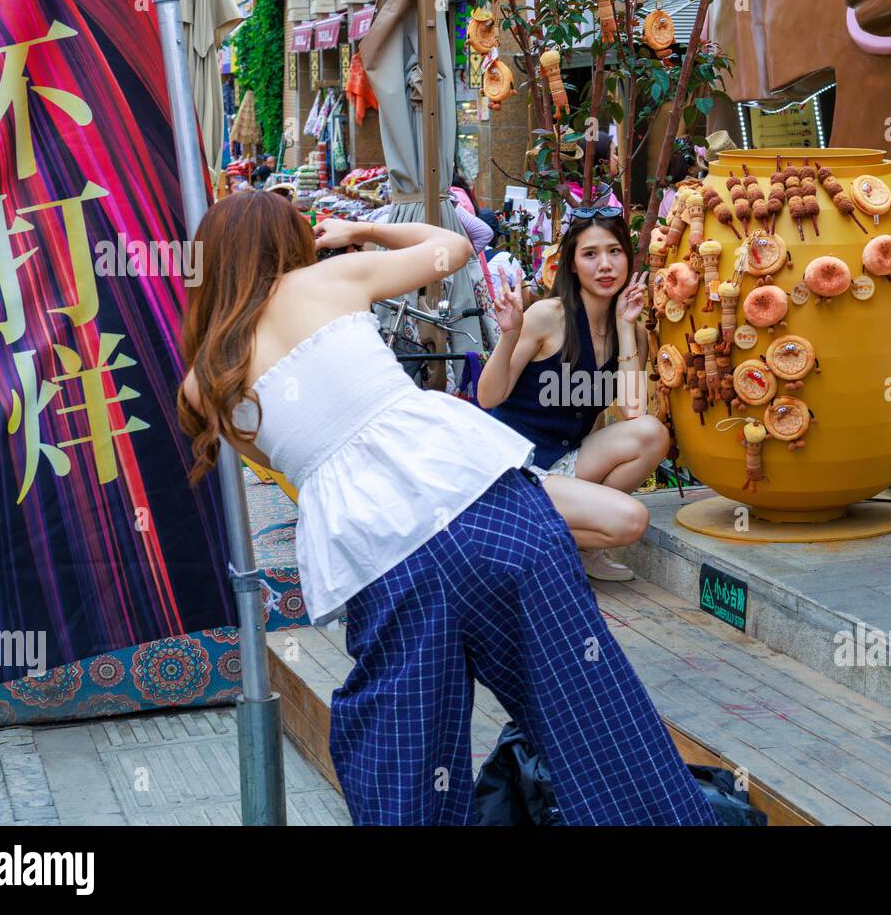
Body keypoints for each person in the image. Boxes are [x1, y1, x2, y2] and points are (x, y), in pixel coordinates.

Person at [176, 191, 720, 827]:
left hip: (378, 556)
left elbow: (293, 457)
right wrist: (360, 227)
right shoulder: (329, 278)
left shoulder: (203, 381)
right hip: (480, 500)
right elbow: (457, 246)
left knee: (404, 760)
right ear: (290, 244)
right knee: (592, 712)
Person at [476, 207, 668, 583]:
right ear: (573, 264)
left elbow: (633, 411)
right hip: (514, 466)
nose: (605, 265)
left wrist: (627, 328)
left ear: (628, 257)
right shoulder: (548, 316)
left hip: (563, 462)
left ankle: (580, 545)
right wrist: (510, 336)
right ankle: (515, 536)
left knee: (652, 433)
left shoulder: (628, 327)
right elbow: (488, 397)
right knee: (631, 520)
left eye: (614, 251)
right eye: (590, 254)